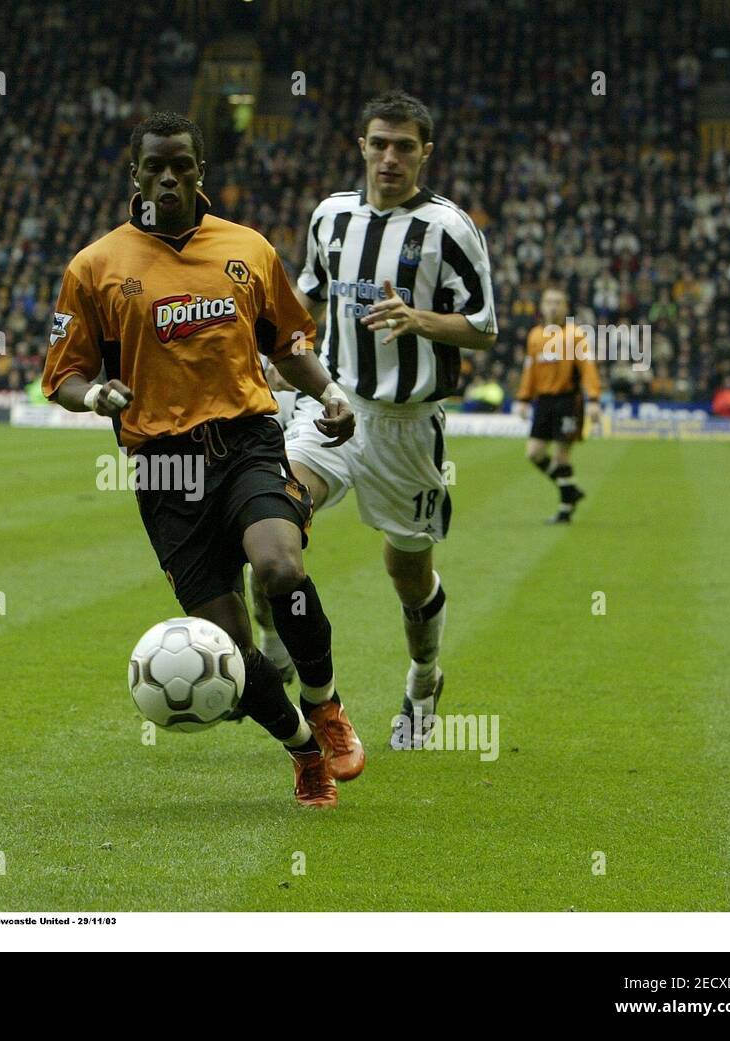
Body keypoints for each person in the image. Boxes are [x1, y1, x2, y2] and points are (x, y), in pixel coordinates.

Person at [43, 112, 363, 807]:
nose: (168, 176)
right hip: (163, 467)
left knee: (281, 565)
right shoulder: (94, 267)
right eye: (155, 165)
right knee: (229, 645)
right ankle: (302, 747)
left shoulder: (247, 248)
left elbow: (290, 342)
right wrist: (95, 393)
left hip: (246, 439)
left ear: (200, 171)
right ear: (135, 175)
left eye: (181, 164)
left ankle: (327, 702)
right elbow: (61, 374)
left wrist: (332, 392)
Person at [257, 90, 497, 751]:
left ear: (425, 152)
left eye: (404, 146)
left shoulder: (450, 229)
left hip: (408, 424)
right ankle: (277, 653)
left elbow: (484, 326)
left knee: (407, 572)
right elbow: (305, 293)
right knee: (272, 524)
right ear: (361, 145)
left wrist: (420, 319)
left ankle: (424, 678)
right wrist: (284, 356)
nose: (389, 156)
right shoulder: (330, 218)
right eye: (379, 143)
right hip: (335, 405)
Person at [514, 287, 601, 523]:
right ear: (542, 306)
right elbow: (530, 370)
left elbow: (587, 367)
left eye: (558, 302)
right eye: (549, 302)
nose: (553, 306)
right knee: (534, 453)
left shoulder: (575, 335)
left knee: (562, 456)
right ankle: (569, 490)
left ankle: (565, 510)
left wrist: (593, 399)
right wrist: (523, 399)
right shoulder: (535, 336)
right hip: (543, 401)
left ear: (565, 307)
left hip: (567, 400)